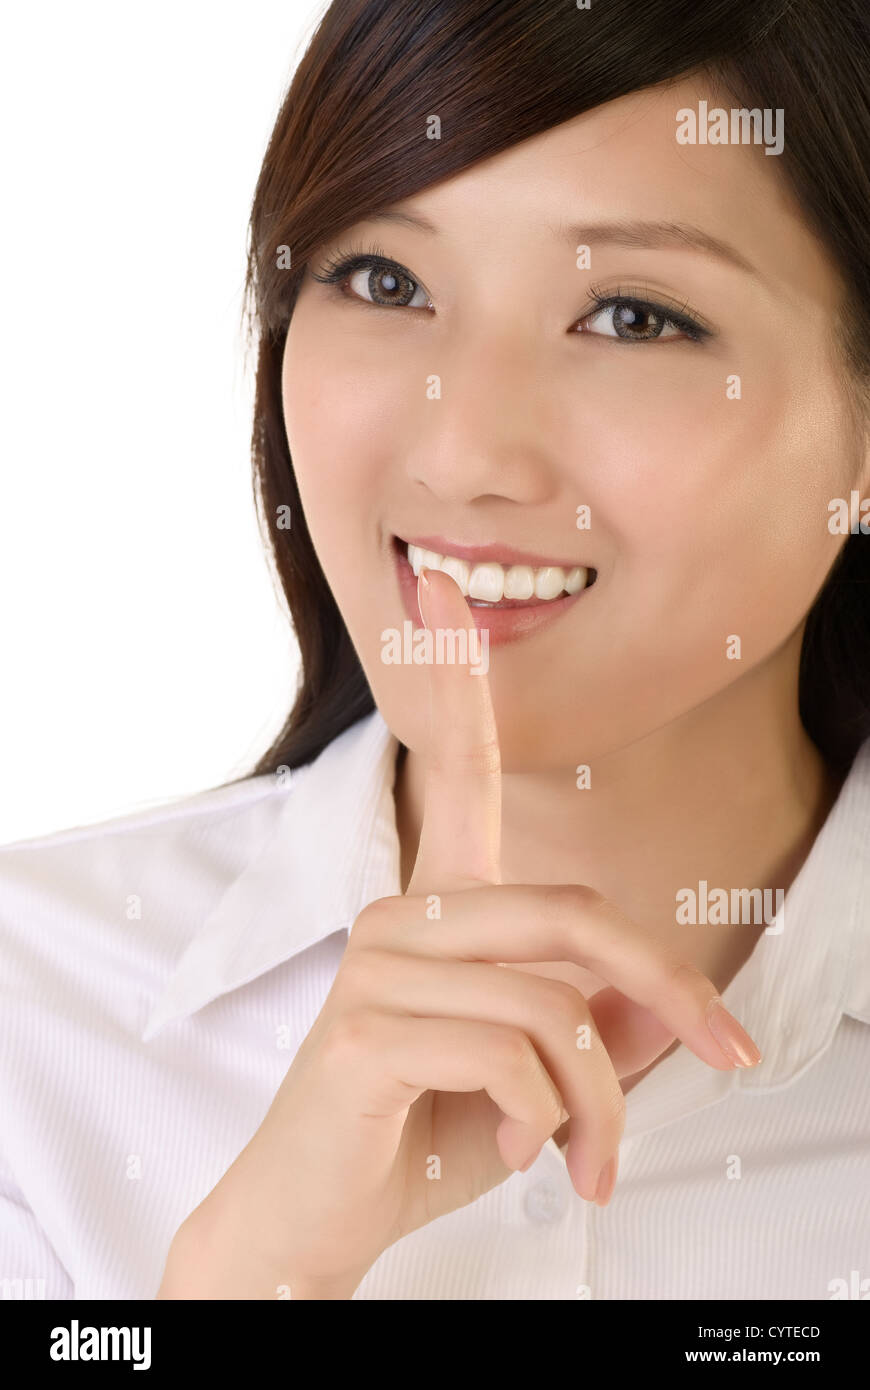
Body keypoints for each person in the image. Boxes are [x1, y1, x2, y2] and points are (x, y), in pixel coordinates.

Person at [2, 0, 869, 1301]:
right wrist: (249, 1278)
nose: (460, 451)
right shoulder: (35, 1007)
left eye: (632, 317)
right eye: (385, 282)